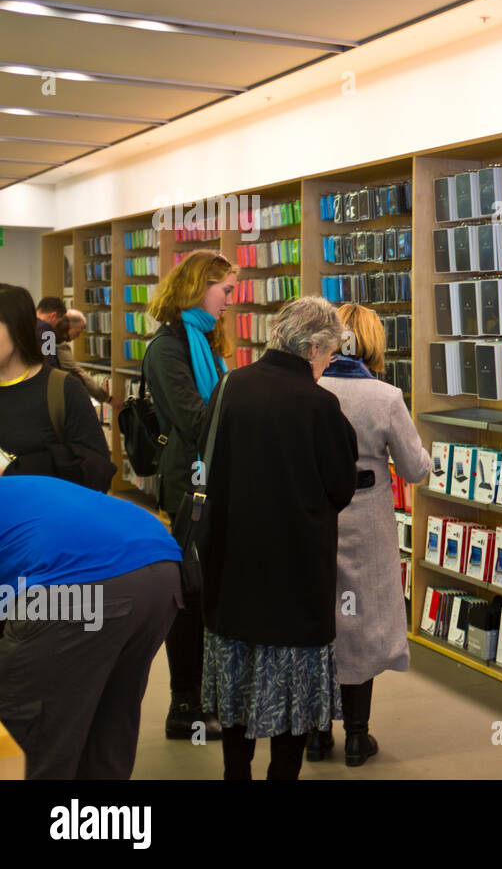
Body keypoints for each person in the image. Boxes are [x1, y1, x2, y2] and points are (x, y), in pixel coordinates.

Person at [200, 296, 359, 781]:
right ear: (312, 347)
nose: (329, 363)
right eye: (329, 354)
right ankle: (282, 774)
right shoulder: (319, 404)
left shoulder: (229, 387)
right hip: (297, 568)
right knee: (294, 685)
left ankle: (235, 772)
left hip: (232, 562)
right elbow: (340, 486)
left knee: (237, 677)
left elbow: (205, 462)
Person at [310, 303, 431, 766]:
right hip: (367, 522)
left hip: (317, 516)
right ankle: (358, 737)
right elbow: (416, 468)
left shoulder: (312, 387)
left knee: (320, 620)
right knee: (362, 622)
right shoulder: (385, 396)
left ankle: (317, 735)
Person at [0, 476, 182, 779]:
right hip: (162, 569)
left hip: (80, 585)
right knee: (109, 726)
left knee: (28, 740)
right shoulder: (21, 487)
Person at [142, 250, 235, 741]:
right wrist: (239, 397)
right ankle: (184, 704)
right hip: (187, 486)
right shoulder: (168, 348)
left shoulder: (203, 340)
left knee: (209, 590)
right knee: (190, 593)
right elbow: (197, 420)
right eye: (225, 291)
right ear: (200, 287)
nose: (230, 302)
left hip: (214, 481)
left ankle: (206, 693)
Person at [0, 284, 113, 491]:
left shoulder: (63, 390)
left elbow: (96, 468)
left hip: (42, 516)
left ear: (17, 328)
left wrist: (17, 469)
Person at [55, 310, 113, 405]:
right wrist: (107, 399)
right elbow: (78, 372)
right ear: (68, 326)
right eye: (78, 331)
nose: (78, 336)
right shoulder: (60, 346)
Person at [34, 296, 65, 370]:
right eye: (58, 322)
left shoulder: (23, 322)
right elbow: (49, 362)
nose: (55, 327)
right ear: (53, 316)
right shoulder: (46, 328)